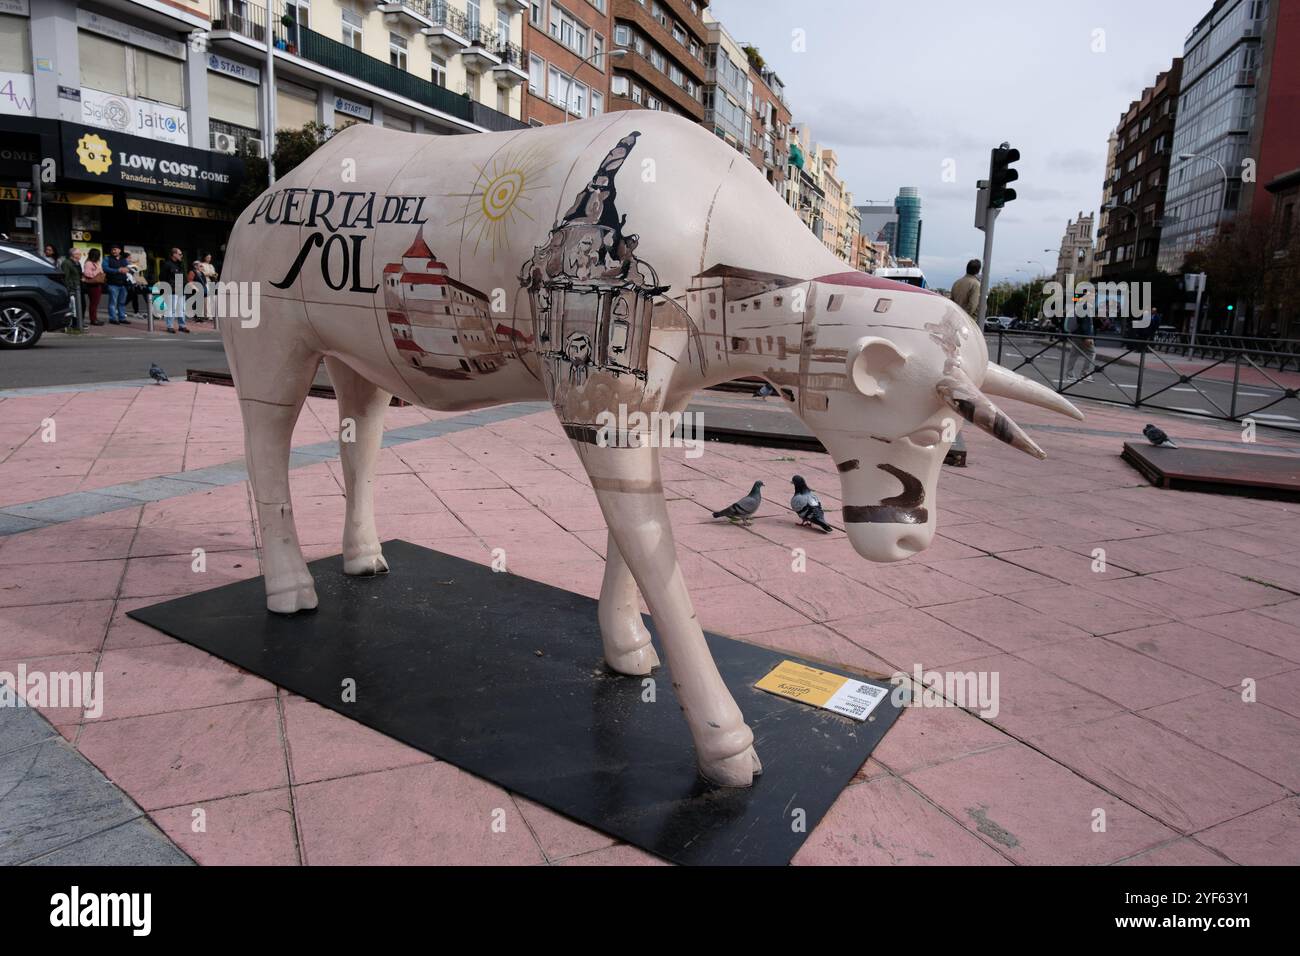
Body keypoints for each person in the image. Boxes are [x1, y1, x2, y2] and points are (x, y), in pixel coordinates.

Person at [157, 247, 189, 333]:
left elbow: (184, 277)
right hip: (171, 290)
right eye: (180, 254)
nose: (181, 256)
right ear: (174, 254)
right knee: (171, 309)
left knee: (181, 309)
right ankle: (169, 326)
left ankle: (182, 325)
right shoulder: (167, 264)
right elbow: (162, 277)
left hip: (181, 289)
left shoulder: (180, 264)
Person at [103, 243, 132, 325]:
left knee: (122, 302)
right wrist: (117, 270)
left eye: (115, 249)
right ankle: (112, 318)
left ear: (119, 250)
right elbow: (105, 268)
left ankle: (122, 318)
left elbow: (129, 268)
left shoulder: (124, 259)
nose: (114, 251)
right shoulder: (107, 258)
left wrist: (128, 269)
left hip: (123, 283)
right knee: (113, 302)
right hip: (112, 283)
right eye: (112, 249)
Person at [1065, 308, 1096, 383]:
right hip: (1082, 335)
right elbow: (1085, 323)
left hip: (1075, 333)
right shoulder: (1085, 307)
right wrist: (1087, 337)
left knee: (1074, 354)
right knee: (1091, 352)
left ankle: (1069, 374)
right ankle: (1085, 373)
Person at [951, 259, 983, 325]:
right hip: (968, 322)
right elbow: (972, 305)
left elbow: (952, 301)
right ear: (978, 271)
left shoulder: (956, 283)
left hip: (955, 319)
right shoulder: (976, 284)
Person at [58, 248, 83, 330]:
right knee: (73, 307)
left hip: (78, 288)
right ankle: (72, 324)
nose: (80, 255)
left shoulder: (77, 263)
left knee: (80, 306)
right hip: (72, 288)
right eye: (79, 254)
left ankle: (79, 323)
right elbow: (66, 277)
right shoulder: (67, 263)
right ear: (73, 255)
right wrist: (69, 288)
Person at [82, 248, 106, 326]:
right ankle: (93, 319)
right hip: (92, 285)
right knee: (93, 303)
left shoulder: (96, 263)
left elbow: (101, 272)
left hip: (98, 284)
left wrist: (99, 271)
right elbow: (88, 274)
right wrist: (97, 271)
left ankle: (95, 318)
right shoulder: (88, 263)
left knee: (96, 303)